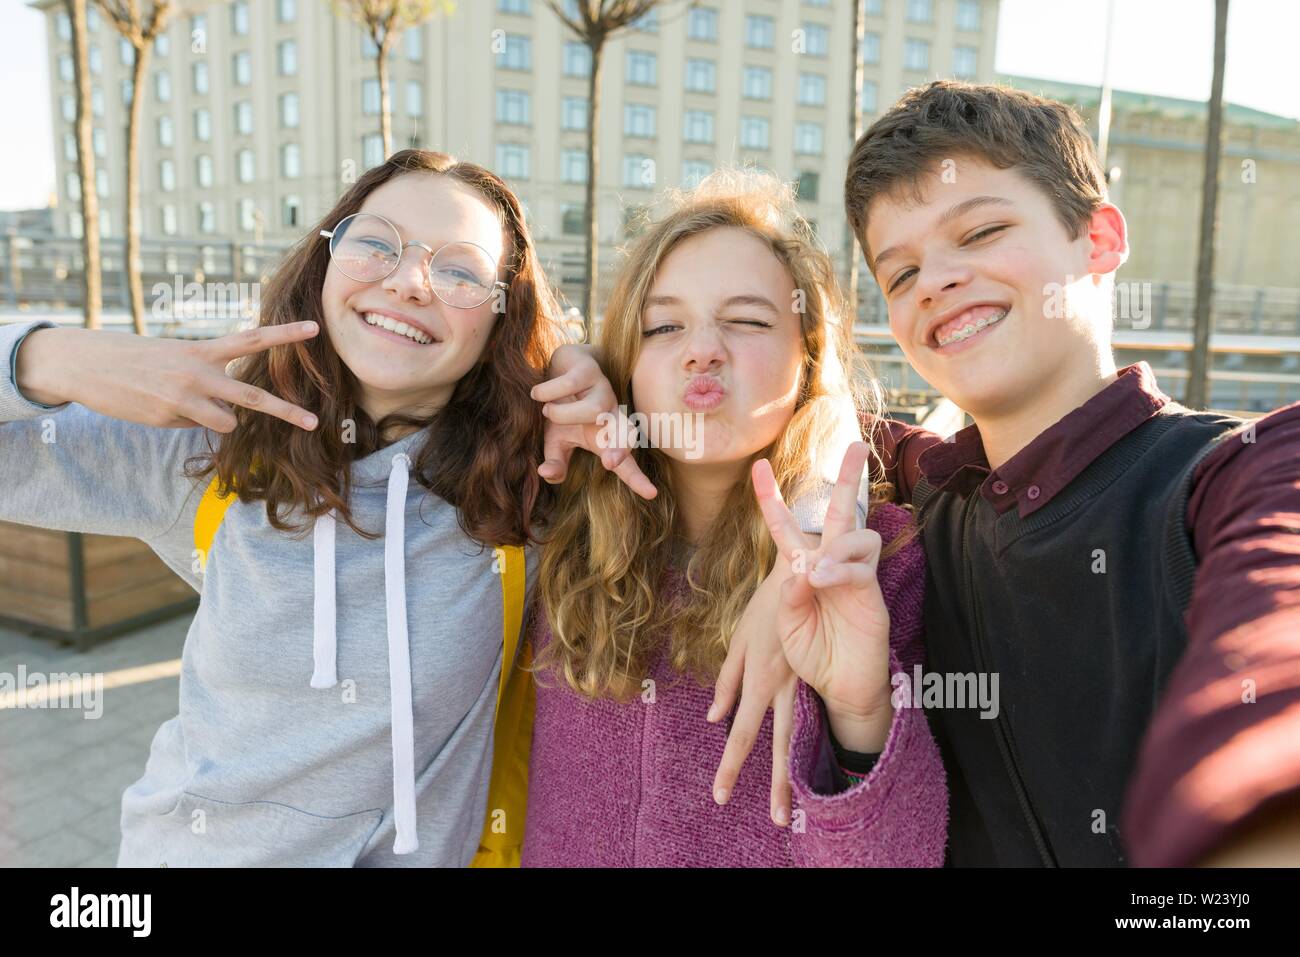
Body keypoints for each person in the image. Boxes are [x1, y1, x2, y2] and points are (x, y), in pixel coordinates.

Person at [538, 82, 1300, 867]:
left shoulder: (1243, 470)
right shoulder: (933, 491)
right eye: (901, 273)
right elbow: (790, 414)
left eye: (982, 230)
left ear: (1099, 239)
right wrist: (584, 370)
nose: (935, 281)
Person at [1, 150, 562, 866]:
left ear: (500, 314)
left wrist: (587, 369)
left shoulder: (533, 482)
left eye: (459, 270)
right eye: (376, 242)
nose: (408, 280)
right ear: (325, 260)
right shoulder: (208, 442)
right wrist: (51, 357)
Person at [521, 171, 946, 866]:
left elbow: (899, 855)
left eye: (747, 320)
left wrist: (861, 713)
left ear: (810, 356)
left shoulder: (871, 562)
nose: (701, 349)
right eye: (663, 326)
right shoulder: (557, 522)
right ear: (622, 363)